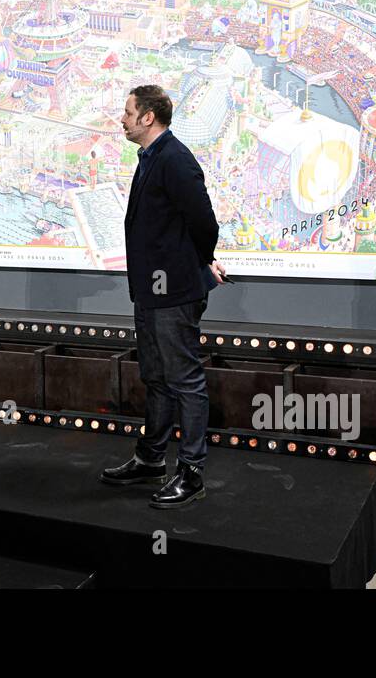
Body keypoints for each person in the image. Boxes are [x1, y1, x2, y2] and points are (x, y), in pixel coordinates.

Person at [101, 85, 227, 508]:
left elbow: (204, 221)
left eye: (127, 111)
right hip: (152, 293)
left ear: (148, 117)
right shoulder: (152, 157)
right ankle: (151, 459)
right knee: (156, 378)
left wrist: (202, 261)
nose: (122, 118)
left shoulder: (174, 158)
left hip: (174, 293)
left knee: (185, 382)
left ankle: (191, 473)